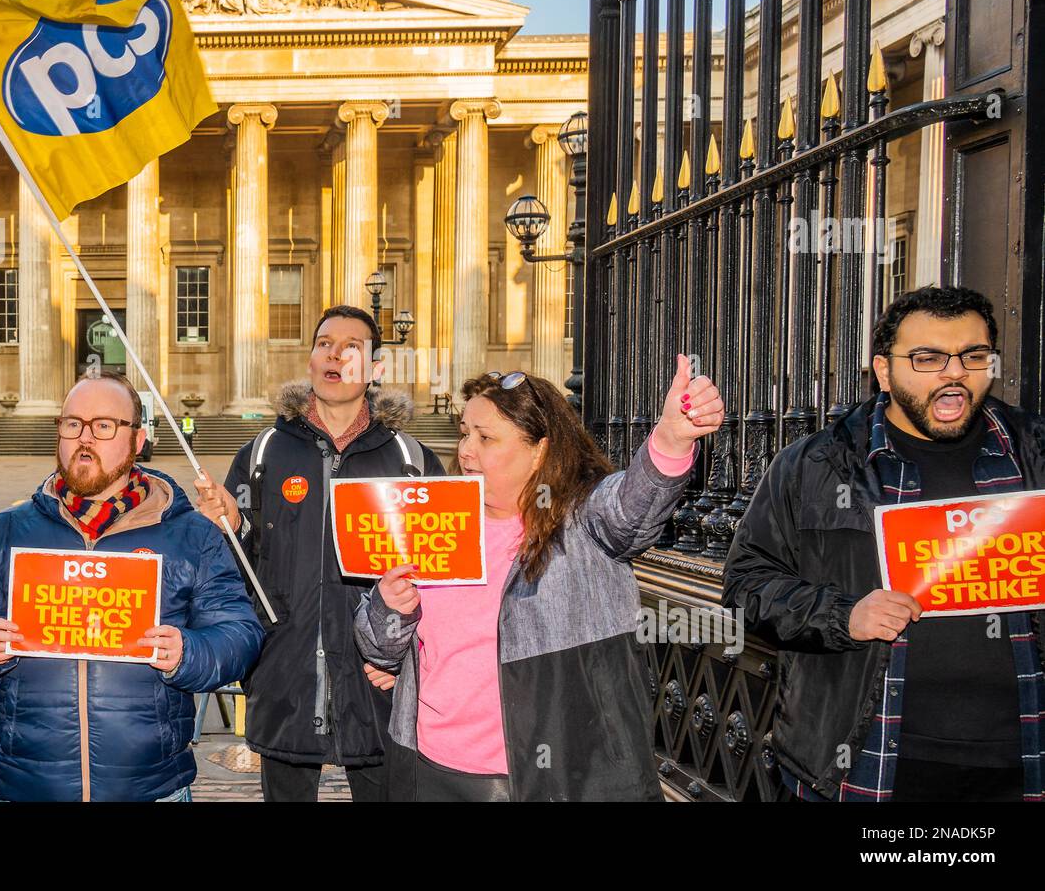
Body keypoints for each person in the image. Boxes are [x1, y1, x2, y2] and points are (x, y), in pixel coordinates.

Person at [724, 285, 1045, 801]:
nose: (955, 374)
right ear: (883, 370)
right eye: (928, 358)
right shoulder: (815, 465)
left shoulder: (1034, 452)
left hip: (1021, 758)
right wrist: (843, 615)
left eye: (973, 356)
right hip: (864, 761)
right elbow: (746, 586)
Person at [353, 357, 722, 800]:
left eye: (485, 438)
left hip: (553, 778)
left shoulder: (583, 520)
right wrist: (389, 608)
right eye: (464, 433)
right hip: (428, 769)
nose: (466, 450)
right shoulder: (434, 518)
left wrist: (671, 438)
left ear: (540, 449)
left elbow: (632, 510)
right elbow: (379, 650)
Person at [0, 371, 262, 802]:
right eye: (72, 424)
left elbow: (240, 635)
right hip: (27, 785)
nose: (83, 438)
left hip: (150, 787)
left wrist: (187, 652)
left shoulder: (192, 536)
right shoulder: (6, 531)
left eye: (104, 425)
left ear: (138, 439)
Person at [194, 305, 445, 801]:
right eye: (324, 343)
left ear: (374, 370)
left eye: (352, 346)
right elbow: (238, 567)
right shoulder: (263, 452)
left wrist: (406, 654)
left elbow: (441, 575)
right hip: (286, 670)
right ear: (310, 360)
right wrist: (231, 524)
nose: (335, 354)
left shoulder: (412, 459)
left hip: (377, 680)